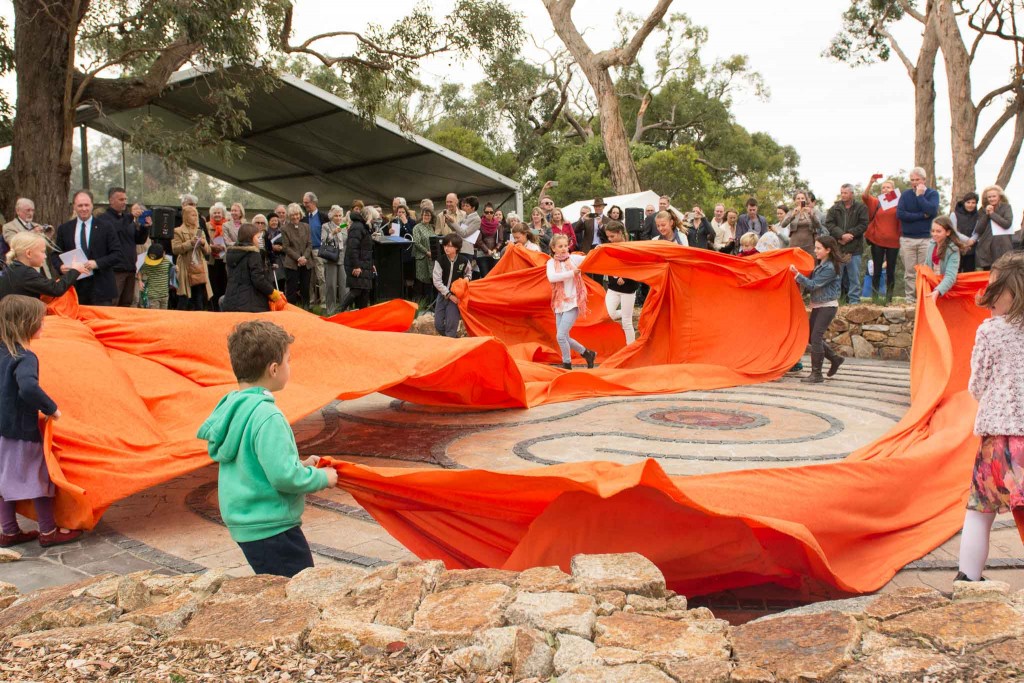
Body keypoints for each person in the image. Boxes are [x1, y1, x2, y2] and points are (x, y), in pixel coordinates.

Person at [197, 320, 337, 578]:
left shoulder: (234, 407)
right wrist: (321, 478)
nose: (289, 367)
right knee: (300, 586)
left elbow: (255, 462)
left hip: (248, 526)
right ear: (274, 369)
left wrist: (300, 465)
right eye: (288, 361)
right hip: (273, 528)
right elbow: (284, 477)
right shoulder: (267, 416)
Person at [955, 252, 1024, 582]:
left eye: (996, 289)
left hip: (997, 443)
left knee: (980, 511)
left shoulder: (991, 331)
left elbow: (977, 384)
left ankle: (968, 579)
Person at [0, 295, 82, 548]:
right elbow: (28, 387)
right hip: (20, 429)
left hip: (1, 429)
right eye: (41, 321)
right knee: (39, 478)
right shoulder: (24, 357)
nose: (44, 325)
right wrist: (52, 409)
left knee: (3, 480)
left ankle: (9, 531)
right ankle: (48, 531)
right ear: (26, 324)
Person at [789, 235, 847, 384]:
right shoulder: (822, 264)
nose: (815, 251)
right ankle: (835, 358)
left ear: (828, 250)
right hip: (819, 305)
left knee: (815, 337)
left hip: (827, 306)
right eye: (815, 247)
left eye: (818, 248)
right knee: (810, 336)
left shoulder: (830, 268)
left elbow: (813, 285)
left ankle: (817, 374)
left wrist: (797, 274)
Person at [51, 189, 120, 306]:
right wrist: (60, 267)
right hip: (75, 287)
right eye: (80, 205)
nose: (84, 209)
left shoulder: (106, 227)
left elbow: (117, 254)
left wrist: (96, 263)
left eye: (87, 205)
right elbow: (55, 254)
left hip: (101, 287)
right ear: (74, 206)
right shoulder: (65, 229)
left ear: (92, 205)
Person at [546, 234, 597, 370]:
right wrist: (572, 273)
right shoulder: (550, 263)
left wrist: (599, 250)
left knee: (560, 336)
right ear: (553, 248)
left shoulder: (574, 259)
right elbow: (552, 278)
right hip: (559, 303)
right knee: (564, 337)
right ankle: (588, 353)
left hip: (574, 301)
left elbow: (592, 258)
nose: (564, 248)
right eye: (560, 246)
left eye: (565, 246)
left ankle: (567, 365)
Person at [95, 186, 149, 308]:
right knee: (112, 303)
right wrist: (130, 217)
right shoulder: (104, 219)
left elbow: (139, 240)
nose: (124, 202)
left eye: (125, 199)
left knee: (127, 304)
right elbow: (114, 229)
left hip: (130, 268)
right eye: (121, 199)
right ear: (111, 200)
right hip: (114, 270)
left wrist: (145, 227)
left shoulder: (127, 219)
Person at [897, 166, 940, 304]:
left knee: (925, 270)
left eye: (917, 179)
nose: (914, 182)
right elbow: (901, 214)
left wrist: (920, 196)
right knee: (910, 271)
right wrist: (922, 215)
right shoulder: (905, 195)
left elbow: (932, 211)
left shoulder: (932, 194)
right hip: (907, 239)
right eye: (912, 180)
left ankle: (923, 296)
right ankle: (910, 298)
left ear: (924, 180)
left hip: (926, 239)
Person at [0, 232, 83, 301]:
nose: (45, 256)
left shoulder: (11, 268)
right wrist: (75, 270)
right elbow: (56, 289)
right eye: (43, 252)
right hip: (22, 315)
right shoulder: (26, 273)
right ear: (29, 253)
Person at [221, 223, 281, 313]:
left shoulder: (231, 254)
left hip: (231, 300)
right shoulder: (253, 254)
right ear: (250, 238)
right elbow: (258, 279)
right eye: (257, 237)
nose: (259, 240)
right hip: (250, 302)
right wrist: (272, 292)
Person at [825, 184, 870, 304]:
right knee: (836, 276)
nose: (843, 195)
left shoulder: (861, 207)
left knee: (854, 277)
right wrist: (841, 235)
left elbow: (864, 224)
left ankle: (854, 301)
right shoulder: (834, 208)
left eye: (845, 193)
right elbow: (829, 224)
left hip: (854, 248)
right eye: (842, 192)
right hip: (838, 247)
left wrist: (850, 234)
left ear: (852, 194)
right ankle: (835, 300)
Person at [863, 174, 903, 300]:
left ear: (894, 190)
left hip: (894, 241)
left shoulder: (899, 202)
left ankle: (889, 298)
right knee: (877, 270)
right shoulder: (878, 202)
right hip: (877, 240)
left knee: (891, 270)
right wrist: (871, 182)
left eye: (888, 187)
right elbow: (865, 197)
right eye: (883, 188)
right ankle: (875, 298)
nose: (885, 189)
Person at [172, 205, 213, 311]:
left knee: (198, 296)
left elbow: (208, 251)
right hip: (185, 267)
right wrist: (190, 243)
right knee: (184, 297)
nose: (195, 217)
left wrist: (203, 243)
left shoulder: (200, 231)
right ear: (186, 216)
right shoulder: (177, 231)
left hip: (199, 267)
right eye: (193, 215)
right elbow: (175, 249)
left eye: (196, 215)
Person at [432, 233, 473, 338]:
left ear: (457, 248)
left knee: (451, 326)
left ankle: (450, 340)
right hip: (442, 295)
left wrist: (465, 280)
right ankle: (453, 339)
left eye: (450, 246)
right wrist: (449, 295)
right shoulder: (440, 261)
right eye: (445, 245)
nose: (446, 248)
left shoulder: (464, 261)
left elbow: (469, 274)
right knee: (438, 325)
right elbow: (437, 281)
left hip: (456, 297)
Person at [3, 198, 56, 279]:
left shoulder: (36, 225)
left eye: (32, 210)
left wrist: (48, 238)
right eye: (27, 210)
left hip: (42, 270)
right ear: (18, 211)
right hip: (24, 272)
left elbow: (48, 250)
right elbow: (15, 244)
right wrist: (32, 233)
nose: (31, 213)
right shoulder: (9, 227)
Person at [602, 222, 638, 344]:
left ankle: (630, 348)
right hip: (613, 287)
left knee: (626, 322)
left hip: (628, 288)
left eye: (612, 236)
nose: (610, 239)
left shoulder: (631, 247)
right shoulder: (609, 247)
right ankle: (628, 312)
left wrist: (626, 277)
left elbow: (636, 266)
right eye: (608, 237)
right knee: (608, 314)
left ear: (620, 233)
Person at [339, 206, 374, 311]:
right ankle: (339, 310)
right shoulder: (357, 226)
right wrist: (357, 266)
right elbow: (353, 248)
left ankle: (362, 316)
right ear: (368, 216)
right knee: (356, 290)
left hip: (364, 263)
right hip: (357, 263)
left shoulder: (364, 227)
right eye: (372, 217)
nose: (373, 220)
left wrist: (371, 264)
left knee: (364, 291)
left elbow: (366, 249)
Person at [925, 216, 967, 300]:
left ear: (948, 232)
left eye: (938, 231)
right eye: (933, 231)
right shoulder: (931, 245)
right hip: (932, 287)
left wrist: (938, 291)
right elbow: (926, 267)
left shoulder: (953, 250)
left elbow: (950, 276)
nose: (934, 234)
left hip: (946, 290)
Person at [975, 185, 1015, 271]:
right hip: (986, 249)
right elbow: (978, 229)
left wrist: (992, 214)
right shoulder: (982, 210)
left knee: (1003, 272)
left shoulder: (1006, 207)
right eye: (989, 197)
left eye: (994, 196)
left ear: (999, 196)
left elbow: (1007, 224)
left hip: (1002, 247)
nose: (991, 199)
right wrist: (986, 214)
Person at [281, 203, 312, 308]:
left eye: (297, 214)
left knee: (305, 287)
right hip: (292, 263)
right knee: (291, 289)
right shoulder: (285, 228)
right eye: (292, 215)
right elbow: (286, 247)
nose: (295, 217)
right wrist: (298, 258)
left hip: (306, 262)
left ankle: (306, 309)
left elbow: (309, 244)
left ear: (300, 214)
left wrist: (304, 257)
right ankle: (291, 310)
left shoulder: (306, 226)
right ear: (289, 216)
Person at [319, 206, 348, 315]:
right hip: (331, 258)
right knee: (331, 286)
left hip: (343, 258)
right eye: (336, 216)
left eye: (340, 215)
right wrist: (333, 233)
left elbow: (347, 240)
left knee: (344, 285)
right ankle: (330, 310)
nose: (338, 218)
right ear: (331, 216)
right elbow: (324, 241)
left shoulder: (344, 225)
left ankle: (344, 309)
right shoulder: (326, 226)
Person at [781, 190, 821, 256]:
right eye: (798, 198)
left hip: (809, 245)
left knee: (810, 261)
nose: (800, 200)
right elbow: (783, 225)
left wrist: (811, 214)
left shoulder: (811, 211)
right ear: (794, 200)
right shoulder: (791, 212)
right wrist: (793, 215)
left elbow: (818, 225)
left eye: (802, 198)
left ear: (806, 200)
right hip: (794, 244)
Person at [206, 203, 230, 307]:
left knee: (225, 283)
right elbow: (204, 241)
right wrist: (212, 246)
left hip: (224, 259)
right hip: (212, 260)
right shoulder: (207, 226)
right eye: (215, 213)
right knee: (213, 285)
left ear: (223, 214)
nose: (217, 215)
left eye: (219, 213)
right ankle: (214, 307)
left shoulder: (227, 225)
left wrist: (224, 247)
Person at [951, 191, 980, 273]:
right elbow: (953, 231)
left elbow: (978, 230)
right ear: (964, 202)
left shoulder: (978, 216)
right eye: (968, 202)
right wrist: (967, 240)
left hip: (971, 249)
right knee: (955, 272)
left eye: (973, 203)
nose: (970, 205)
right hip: (957, 248)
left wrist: (972, 240)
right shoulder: (954, 214)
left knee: (970, 273)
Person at [137, 243, 172, 310]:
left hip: (165, 295)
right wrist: (140, 281)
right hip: (153, 296)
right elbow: (140, 271)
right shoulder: (148, 264)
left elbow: (172, 269)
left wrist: (176, 268)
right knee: (155, 314)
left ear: (164, 254)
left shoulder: (167, 262)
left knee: (164, 314)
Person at [412, 206, 436, 299]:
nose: (427, 217)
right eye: (425, 215)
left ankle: (428, 301)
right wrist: (427, 252)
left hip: (431, 258)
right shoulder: (417, 227)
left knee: (429, 280)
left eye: (429, 215)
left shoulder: (431, 227)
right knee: (420, 280)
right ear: (422, 216)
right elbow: (417, 243)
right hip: (422, 257)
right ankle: (418, 301)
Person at [476, 203, 503, 278]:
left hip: (495, 253)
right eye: (487, 212)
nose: (489, 214)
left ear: (493, 213)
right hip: (482, 253)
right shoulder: (479, 224)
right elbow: (479, 240)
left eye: (491, 212)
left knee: (495, 276)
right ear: (483, 213)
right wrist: (487, 250)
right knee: (485, 276)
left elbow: (500, 240)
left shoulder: (498, 225)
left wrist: (495, 249)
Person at [454, 196, 481, 260]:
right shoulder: (465, 216)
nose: (464, 208)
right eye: (464, 205)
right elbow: (456, 228)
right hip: (459, 248)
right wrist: (448, 221)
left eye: (467, 206)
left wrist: (452, 222)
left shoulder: (476, 219)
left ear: (473, 208)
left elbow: (464, 233)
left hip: (466, 251)